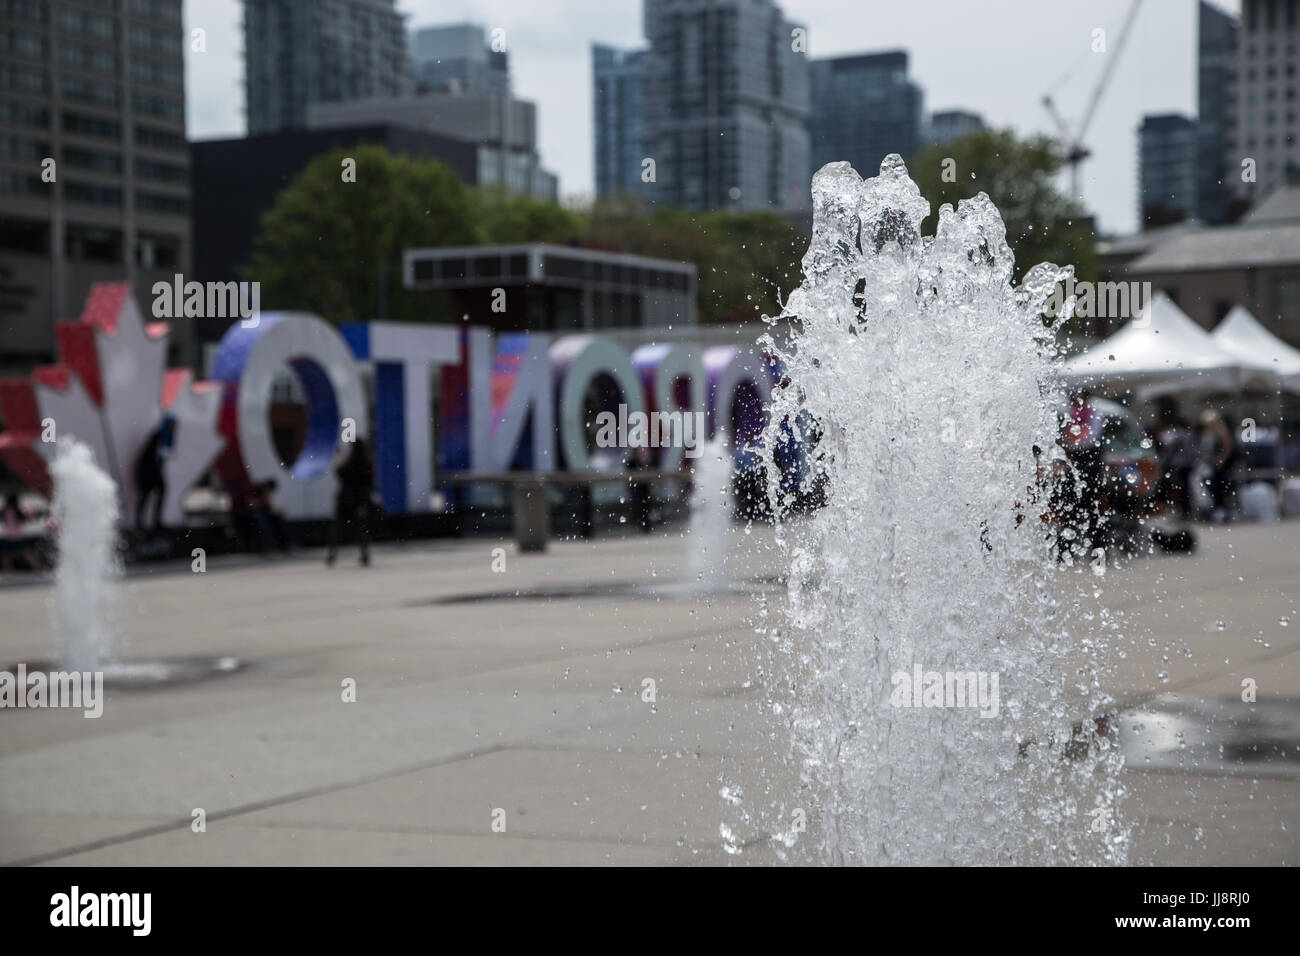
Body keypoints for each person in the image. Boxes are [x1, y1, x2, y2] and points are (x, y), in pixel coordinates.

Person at [326, 439, 374, 566]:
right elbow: (369, 483)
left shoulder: (349, 463)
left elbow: (340, 474)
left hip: (345, 499)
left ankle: (332, 554)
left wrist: (340, 460)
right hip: (359, 500)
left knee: (337, 527)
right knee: (361, 528)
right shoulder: (366, 464)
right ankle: (365, 554)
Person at [1154, 399, 1195, 520]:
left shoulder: (1176, 435)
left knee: (1180, 488)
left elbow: (1165, 446)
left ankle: (1182, 511)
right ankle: (1186, 511)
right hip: (1187, 464)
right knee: (1184, 489)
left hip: (1178, 464)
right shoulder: (1188, 434)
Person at [135, 413, 176, 532]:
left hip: (157, 471)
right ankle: (140, 523)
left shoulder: (169, 436)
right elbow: (155, 454)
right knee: (145, 495)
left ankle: (156, 521)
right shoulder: (158, 436)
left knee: (161, 492)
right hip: (147, 471)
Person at [1198, 410, 1237, 522]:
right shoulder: (1210, 432)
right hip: (1212, 465)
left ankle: (1222, 511)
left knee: (1219, 488)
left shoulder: (1220, 430)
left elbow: (1227, 446)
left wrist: (1221, 460)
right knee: (1213, 488)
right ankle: (1216, 510)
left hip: (1220, 466)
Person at [1, 492, 43, 573]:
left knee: (6, 554)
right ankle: (37, 566)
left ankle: (7, 569)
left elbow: (5, 521)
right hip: (18, 535)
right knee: (27, 552)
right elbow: (26, 518)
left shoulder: (5, 510)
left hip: (8, 535)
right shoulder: (18, 510)